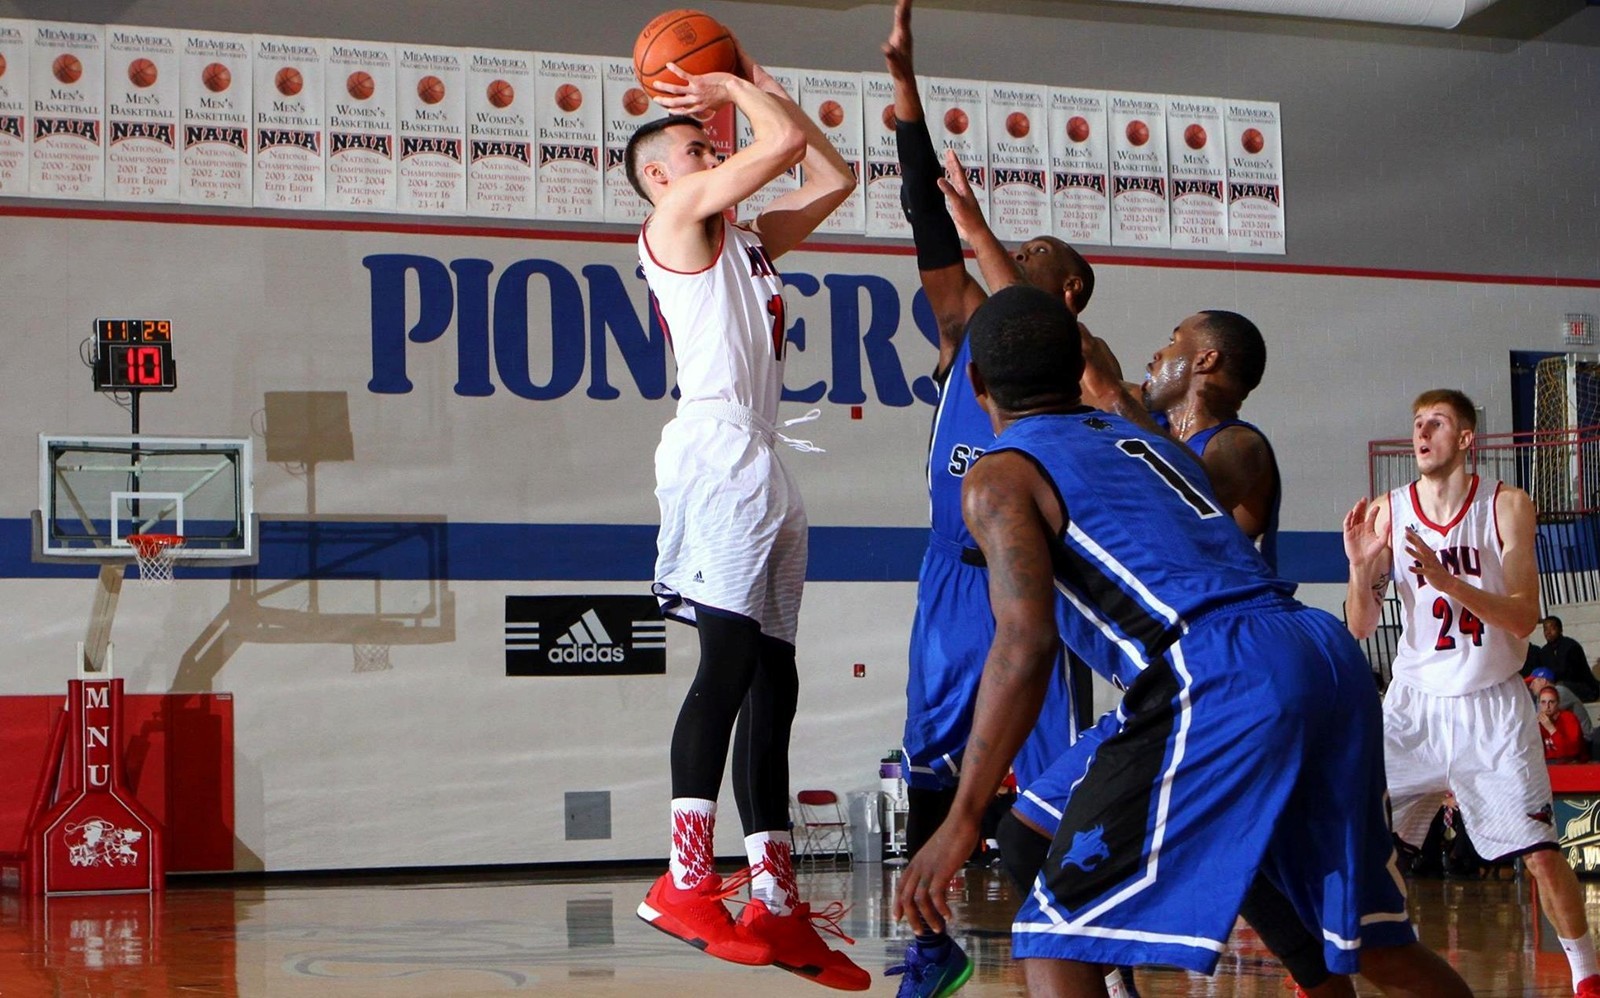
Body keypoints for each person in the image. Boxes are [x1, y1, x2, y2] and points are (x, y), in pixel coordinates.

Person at [897, 286, 1471, 997]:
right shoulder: (1152, 445)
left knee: (1054, 937)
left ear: (977, 383)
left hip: (1214, 670)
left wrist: (958, 819)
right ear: (1079, 366)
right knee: (1374, 946)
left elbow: (1025, 643)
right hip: (1317, 647)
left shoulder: (998, 474)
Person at [623, 43, 868, 991]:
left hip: (765, 454)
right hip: (714, 449)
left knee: (776, 679)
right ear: (658, 174)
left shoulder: (752, 236)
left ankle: (774, 897)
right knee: (726, 659)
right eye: (696, 145)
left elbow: (833, 173)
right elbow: (771, 152)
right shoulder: (674, 218)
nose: (711, 149)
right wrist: (734, 92)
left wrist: (770, 95)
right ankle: (685, 878)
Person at [880, 2, 1095, 995]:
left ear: (1066, 298)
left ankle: (1082, 929)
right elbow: (928, 221)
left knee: (1052, 779)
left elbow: (1002, 277)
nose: (1021, 254)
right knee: (927, 763)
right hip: (947, 574)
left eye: (1043, 257)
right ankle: (932, 943)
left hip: (1030, 583)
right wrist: (906, 99)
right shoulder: (965, 322)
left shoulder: (1075, 357)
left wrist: (984, 227)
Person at [1345, 388, 1600, 998]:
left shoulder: (1507, 504)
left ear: (1465, 439)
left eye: (1436, 423)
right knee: (1363, 844)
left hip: (1491, 702)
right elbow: (1358, 626)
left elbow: (1522, 618)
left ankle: (1587, 976)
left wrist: (1445, 580)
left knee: (1539, 852)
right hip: (1413, 705)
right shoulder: (1388, 511)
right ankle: (1335, 971)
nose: (1421, 433)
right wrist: (1359, 568)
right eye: (1416, 424)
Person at [1529, 666, 1595, 745]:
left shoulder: (1560, 692)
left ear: (1543, 681)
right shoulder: (1540, 697)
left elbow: (1541, 719)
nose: (1531, 686)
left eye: (1533, 682)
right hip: (1564, 739)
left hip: (1583, 740)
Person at [1540, 616, 1599, 702]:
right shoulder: (1544, 651)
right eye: (1545, 629)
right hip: (1557, 687)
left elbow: (1572, 675)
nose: (1548, 632)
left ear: (1560, 630)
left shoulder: (1571, 647)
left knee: (1559, 687)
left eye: (1552, 628)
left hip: (1583, 688)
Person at [1540, 685, 1588, 763]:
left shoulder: (1569, 718)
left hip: (1571, 763)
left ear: (1558, 703)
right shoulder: (1538, 723)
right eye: (1543, 702)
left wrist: (1551, 729)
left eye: (1551, 702)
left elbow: (1571, 751)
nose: (1547, 706)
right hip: (1547, 764)